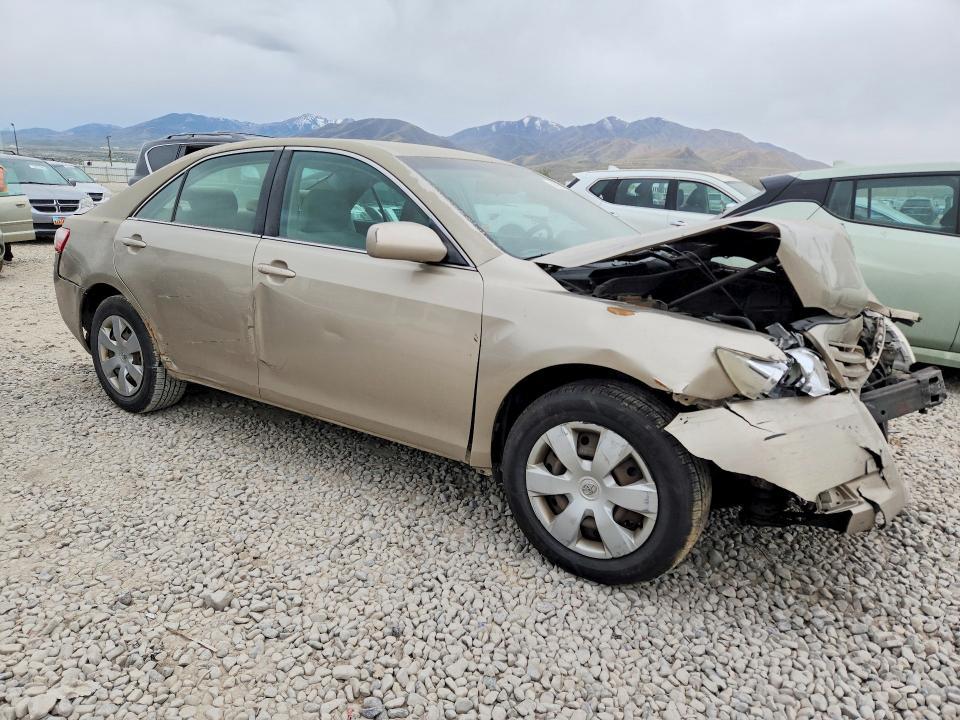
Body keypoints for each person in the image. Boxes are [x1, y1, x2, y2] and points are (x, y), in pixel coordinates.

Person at [0, 163, 13, 261]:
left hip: (2, 197)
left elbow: (1, 185)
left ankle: (6, 253)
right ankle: (7, 253)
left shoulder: (0, 169)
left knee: (2, 228)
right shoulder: (2, 168)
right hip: (4, 197)